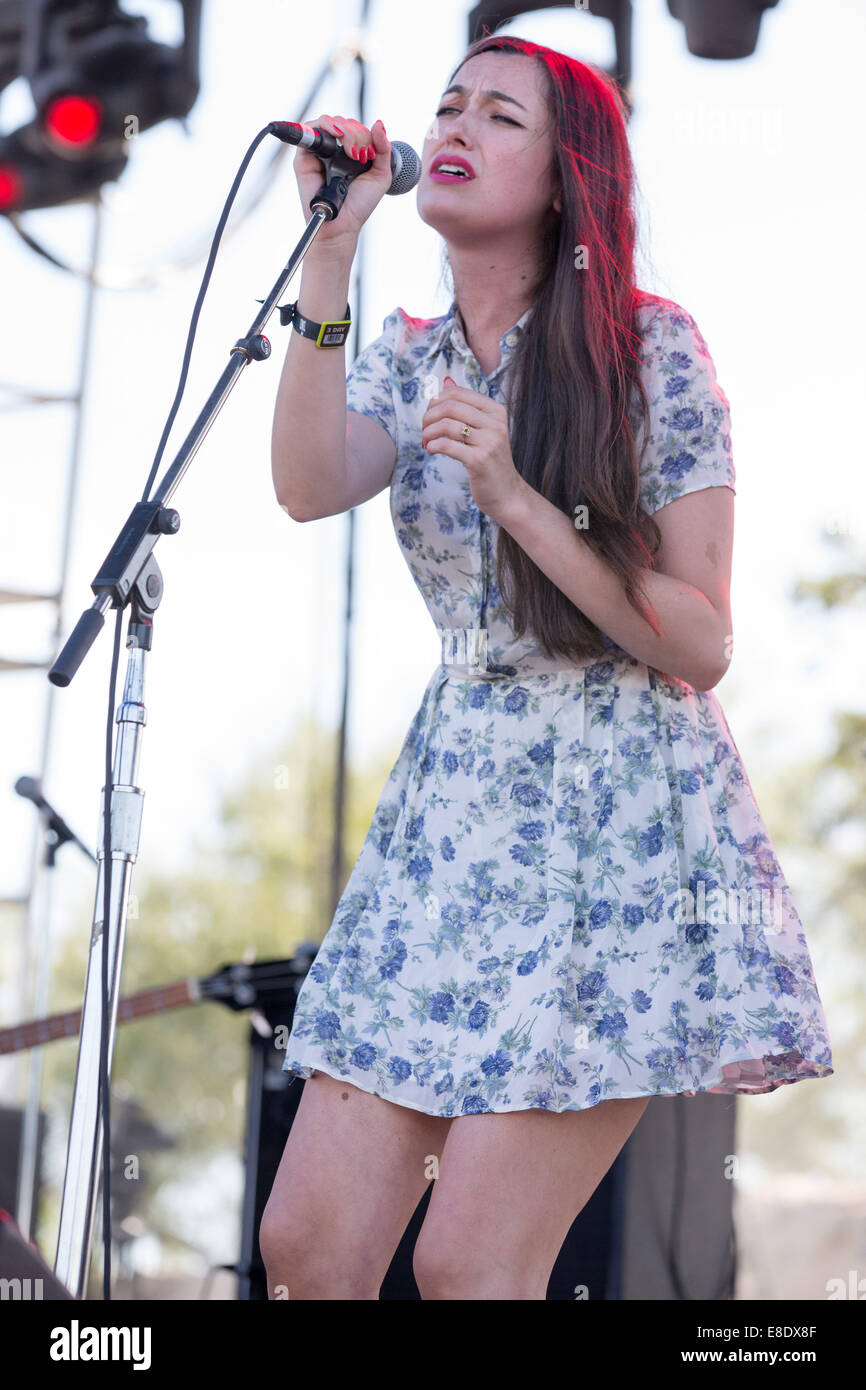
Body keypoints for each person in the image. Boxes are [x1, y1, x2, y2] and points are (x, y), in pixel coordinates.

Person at [260, 34, 834, 1302]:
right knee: (307, 1246)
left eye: (499, 115)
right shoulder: (407, 353)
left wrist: (520, 498)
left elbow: (699, 640)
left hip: (614, 811)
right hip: (450, 811)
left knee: (472, 1265)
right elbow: (305, 486)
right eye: (446, 104)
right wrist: (332, 250)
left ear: (569, 175)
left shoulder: (647, 348)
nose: (455, 125)